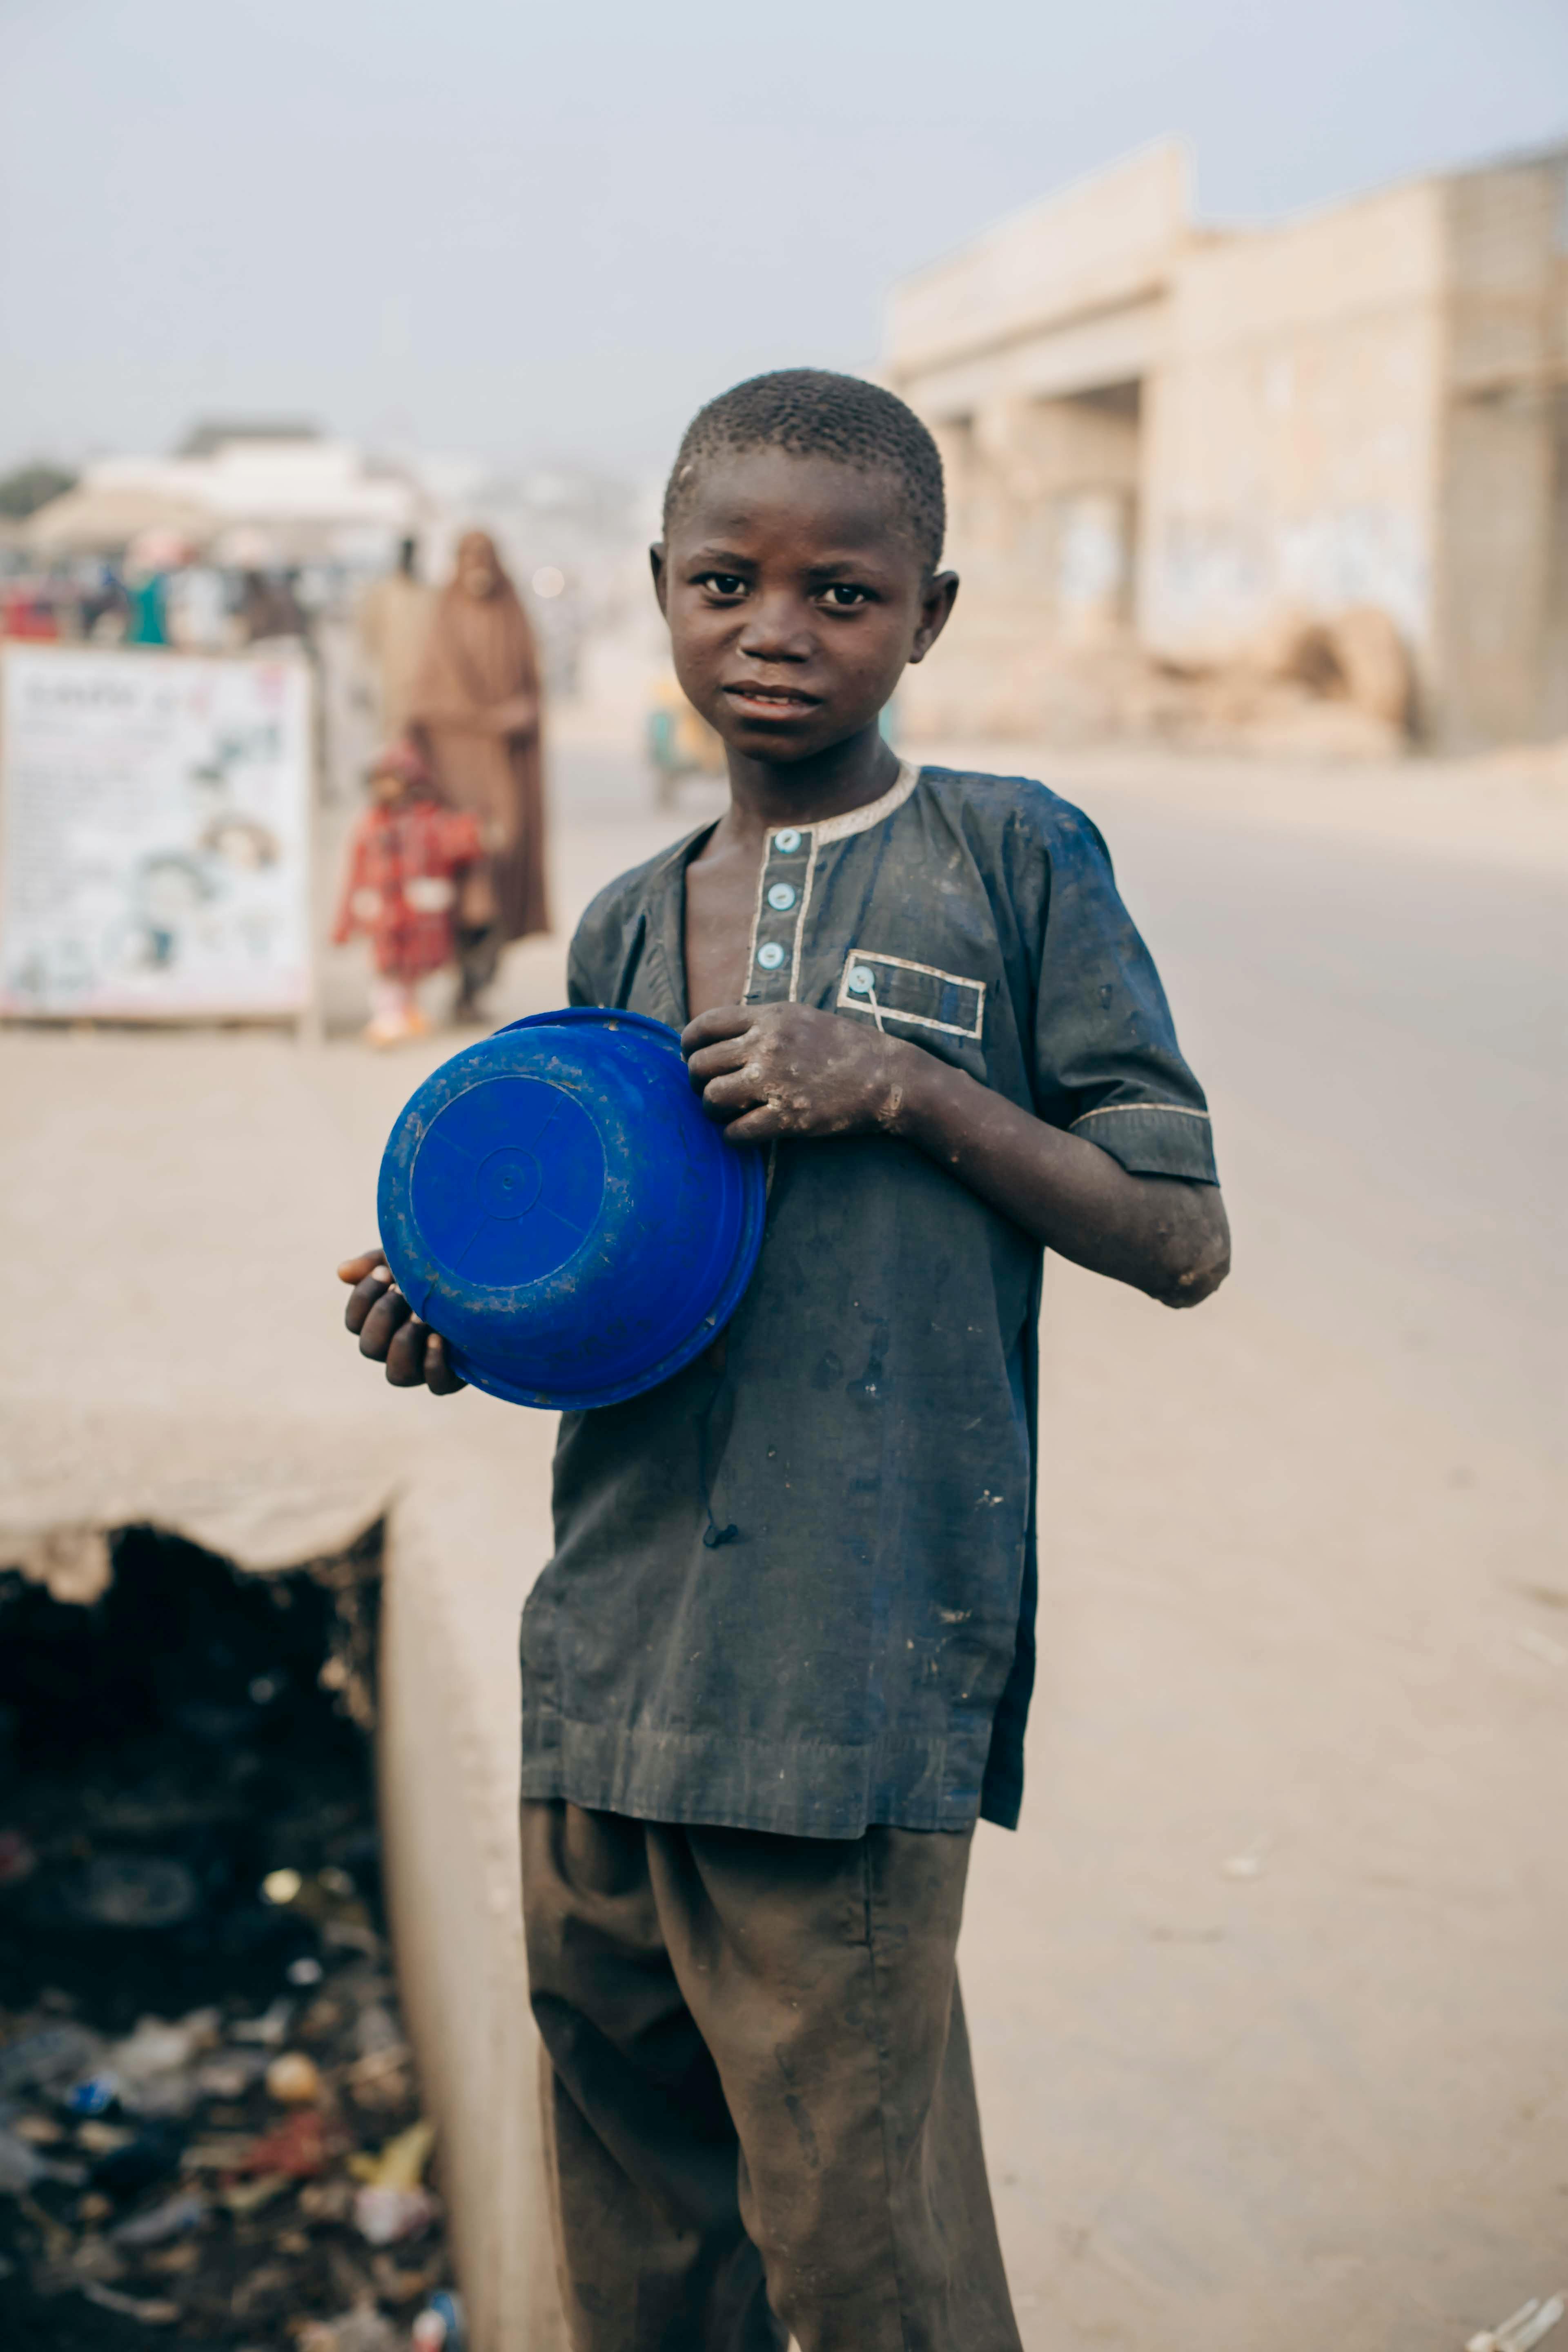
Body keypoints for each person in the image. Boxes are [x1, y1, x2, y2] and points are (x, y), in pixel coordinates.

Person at [338, 370, 1230, 2350]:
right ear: (659, 588)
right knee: (646, 2255)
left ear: (932, 613)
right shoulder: (626, 927)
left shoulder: (1011, 862)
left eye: (844, 593)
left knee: (867, 2271)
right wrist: (460, 1328)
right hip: (607, 1677)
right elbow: (623, 1298)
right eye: (728, 581)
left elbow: (1179, 1231)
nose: (778, 630)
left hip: (843, 1688)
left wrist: (901, 1083)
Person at [408, 528, 548, 1016]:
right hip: (454, 771)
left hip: (503, 772)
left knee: (501, 866)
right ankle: (462, 980)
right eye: (469, 557)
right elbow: (423, 698)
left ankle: (482, 978)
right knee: (462, 872)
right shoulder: (444, 615)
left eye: (485, 556)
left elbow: (532, 692)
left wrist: (516, 716)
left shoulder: (512, 615)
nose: (479, 567)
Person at [332, 738, 482, 1047]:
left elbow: (455, 843)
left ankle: (409, 1010)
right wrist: (350, 915)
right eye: (380, 780)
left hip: (416, 907)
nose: (387, 788)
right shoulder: (371, 824)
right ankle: (388, 1016)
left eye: (393, 780)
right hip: (383, 906)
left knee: (415, 965)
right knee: (387, 966)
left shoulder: (428, 820)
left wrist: (472, 832)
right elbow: (358, 869)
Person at [356, 535, 437, 738]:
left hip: (425, 681)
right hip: (389, 681)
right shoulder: (382, 594)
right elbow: (367, 639)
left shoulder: (429, 594)